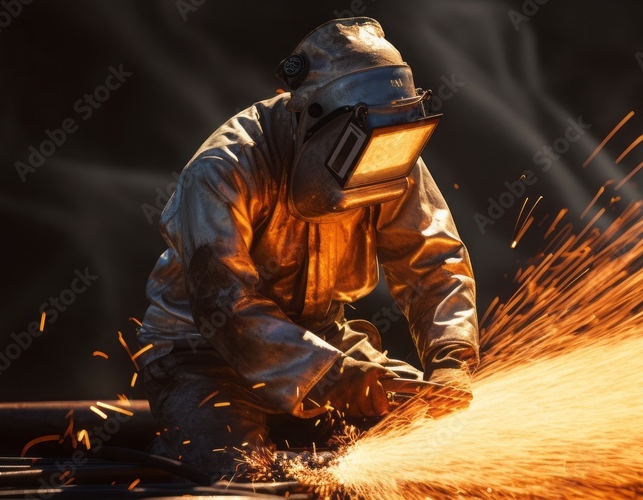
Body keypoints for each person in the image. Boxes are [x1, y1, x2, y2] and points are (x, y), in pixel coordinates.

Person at [135, 17, 478, 479]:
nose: (370, 171)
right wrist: (335, 377)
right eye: (357, 151)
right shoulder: (224, 169)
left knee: (427, 439)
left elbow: (433, 261)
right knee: (236, 475)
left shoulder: (389, 151)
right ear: (314, 119)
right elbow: (226, 307)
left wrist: (450, 358)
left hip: (322, 339)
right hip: (201, 355)